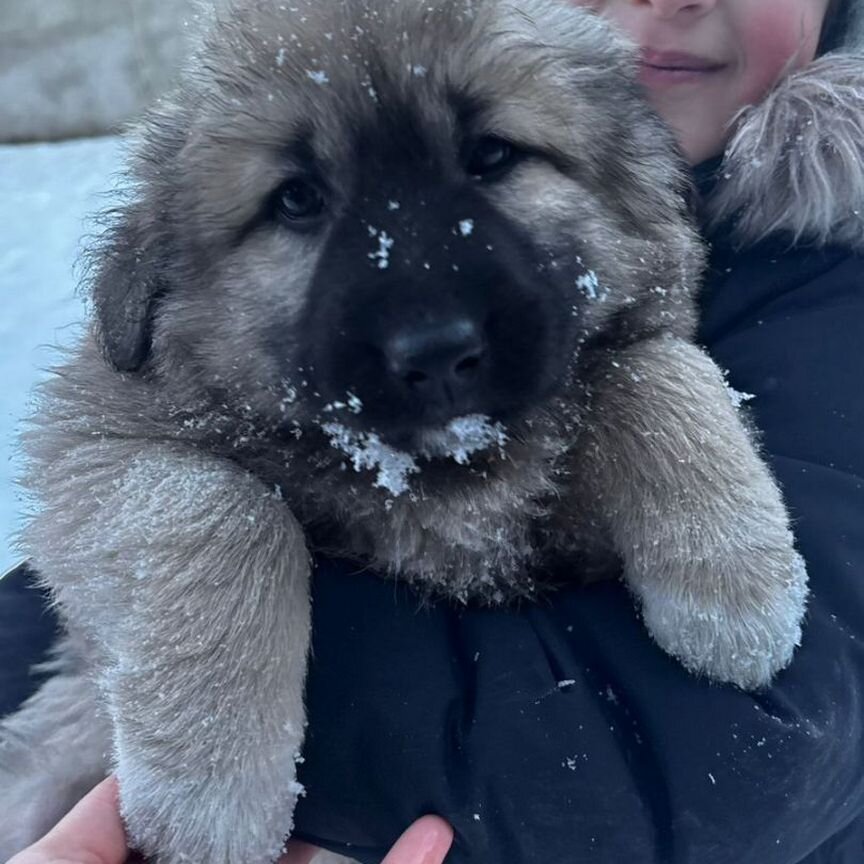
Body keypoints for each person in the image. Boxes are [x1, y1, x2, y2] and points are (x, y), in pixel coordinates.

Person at [2, 0, 863, 861]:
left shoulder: (830, 297)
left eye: (493, 158)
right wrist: (196, 585)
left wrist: (658, 412)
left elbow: (755, 753)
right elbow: (96, 490)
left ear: (641, 178)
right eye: (297, 200)